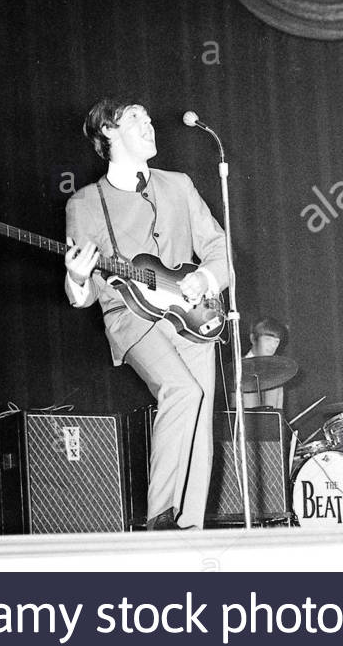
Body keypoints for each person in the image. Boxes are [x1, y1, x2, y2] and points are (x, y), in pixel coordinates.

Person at [62, 99, 228, 530]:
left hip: (191, 315)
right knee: (182, 392)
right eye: (136, 119)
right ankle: (160, 520)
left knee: (200, 409)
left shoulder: (179, 184)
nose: (150, 125)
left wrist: (206, 278)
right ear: (108, 133)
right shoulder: (85, 203)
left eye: (150, 119)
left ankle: (190, 529)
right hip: (132, 319)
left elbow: (217, 246)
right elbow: (82, 294)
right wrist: (77, 278)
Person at [241, 316, 289, 409]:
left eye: (276, 341)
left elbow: (278, 413)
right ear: (253, 339)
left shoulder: (276, 373)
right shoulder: (237, 368)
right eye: (268, 339)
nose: (272, 346)